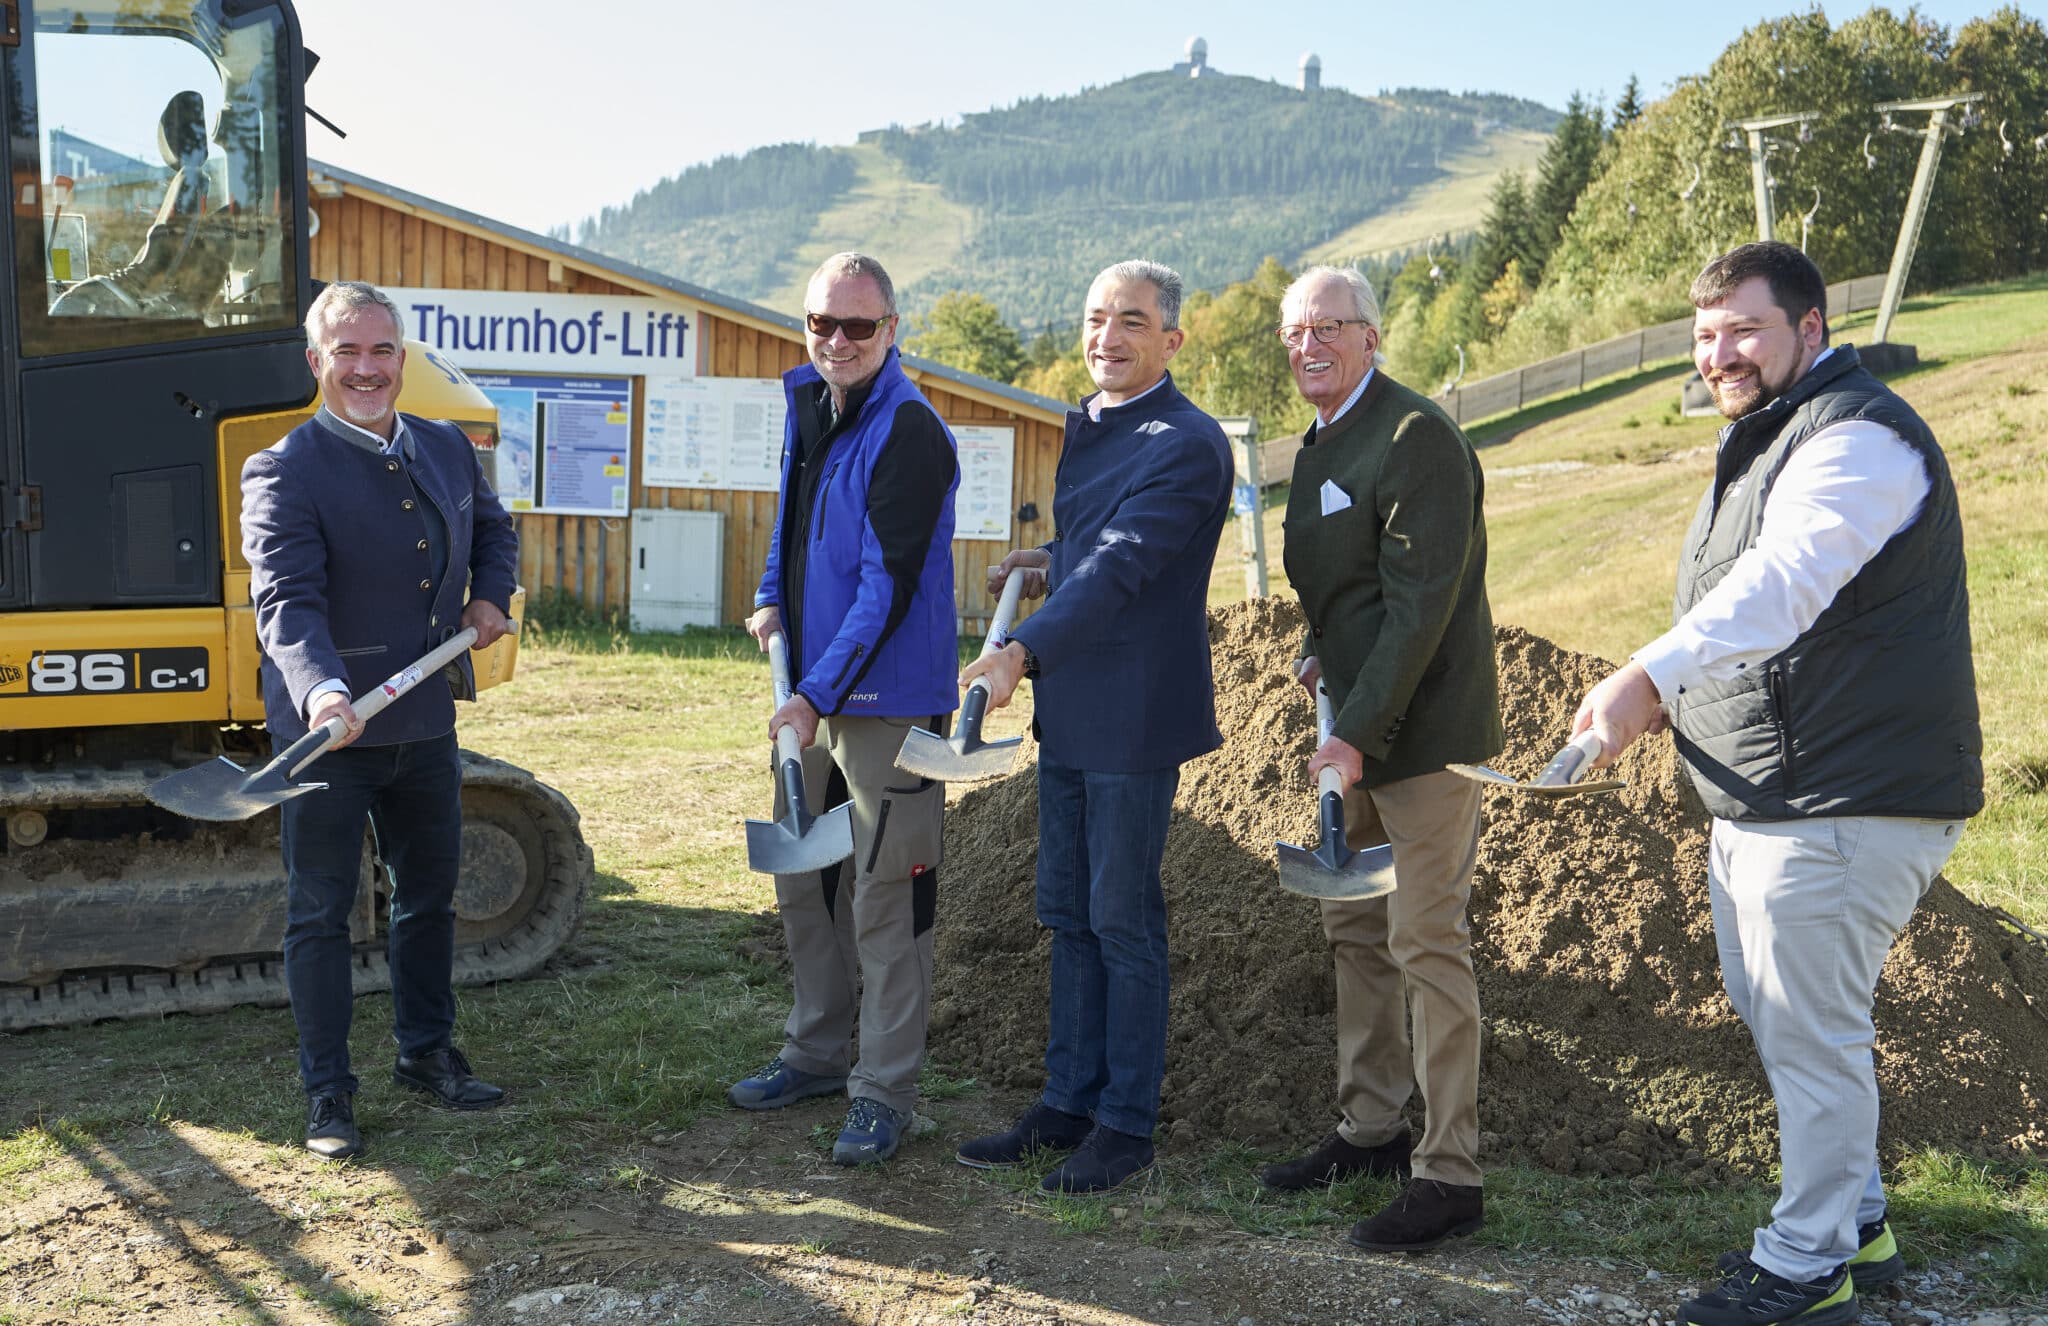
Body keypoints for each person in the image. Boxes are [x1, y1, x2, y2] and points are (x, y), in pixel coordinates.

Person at [1575, 241, 1980, 1326]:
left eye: (1743, 330)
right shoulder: (1770, 438)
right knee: (1779, 1017)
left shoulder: (1856, 438)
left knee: (1810, 1034)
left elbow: (1785, 581)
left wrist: (1647, 674)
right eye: (1704, 337)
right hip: (1777, 791)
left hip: (1846, 794)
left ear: (1808, 327)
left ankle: (1804, 1268)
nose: (1720, 354)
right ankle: (1856, 1222)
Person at [952, 260, 1232, 1195]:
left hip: (1133, 716)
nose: (1107, 337)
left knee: (1121, 919)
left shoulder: (1186, 443)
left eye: (1132, 322)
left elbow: (1122, 561)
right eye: (1096, 318)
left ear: (1171, 342)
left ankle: (1125, 1125)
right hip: (1074, 711)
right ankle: (1065, 1103)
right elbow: (1093, 540)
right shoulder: (1103, 420)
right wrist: (1047, 555)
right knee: (1066, 912)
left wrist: (1018, 653)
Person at [241, 280, 519, 1160]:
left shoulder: (441, 445)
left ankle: (427, 1053)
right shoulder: (284, 468)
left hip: (425, 722)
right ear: (317, 362)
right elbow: (287, 601)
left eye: (382, 350)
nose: (367, 368)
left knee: (428, 898)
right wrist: (322, 691)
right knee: (320, 914)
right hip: (330, 735)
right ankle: (328, 1091)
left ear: (403, 358)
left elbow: (494, 531)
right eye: (348, 352)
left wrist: (488, 595)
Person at [1257, 266, 1503, 1253]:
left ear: (1369, 337)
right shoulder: (1323, 440)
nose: (1308, 345)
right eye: (1294, 333)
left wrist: (1352, 736)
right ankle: (1369, 1128)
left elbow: (1419, 605)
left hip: (1420, 740)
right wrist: (1326, 649)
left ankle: (1448, 1174)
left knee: (1426, 946)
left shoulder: (1414, 438)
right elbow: (1352, 586)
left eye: (1328, 328)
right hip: (1350, 728)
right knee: (1352, 934)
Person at [733, 252, 960, 1167]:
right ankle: (817, 1052)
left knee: (883, 898)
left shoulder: (911, 432)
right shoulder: (810, 405)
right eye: (821, 323)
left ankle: (883, 1091)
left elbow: (888, 587)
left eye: (858, 326)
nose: (837, 340)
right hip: (813, 692)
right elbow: (789, 528)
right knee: (805, 879)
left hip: (882, 703)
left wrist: (812, 696)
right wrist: (769, 594)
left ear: (891, 331)